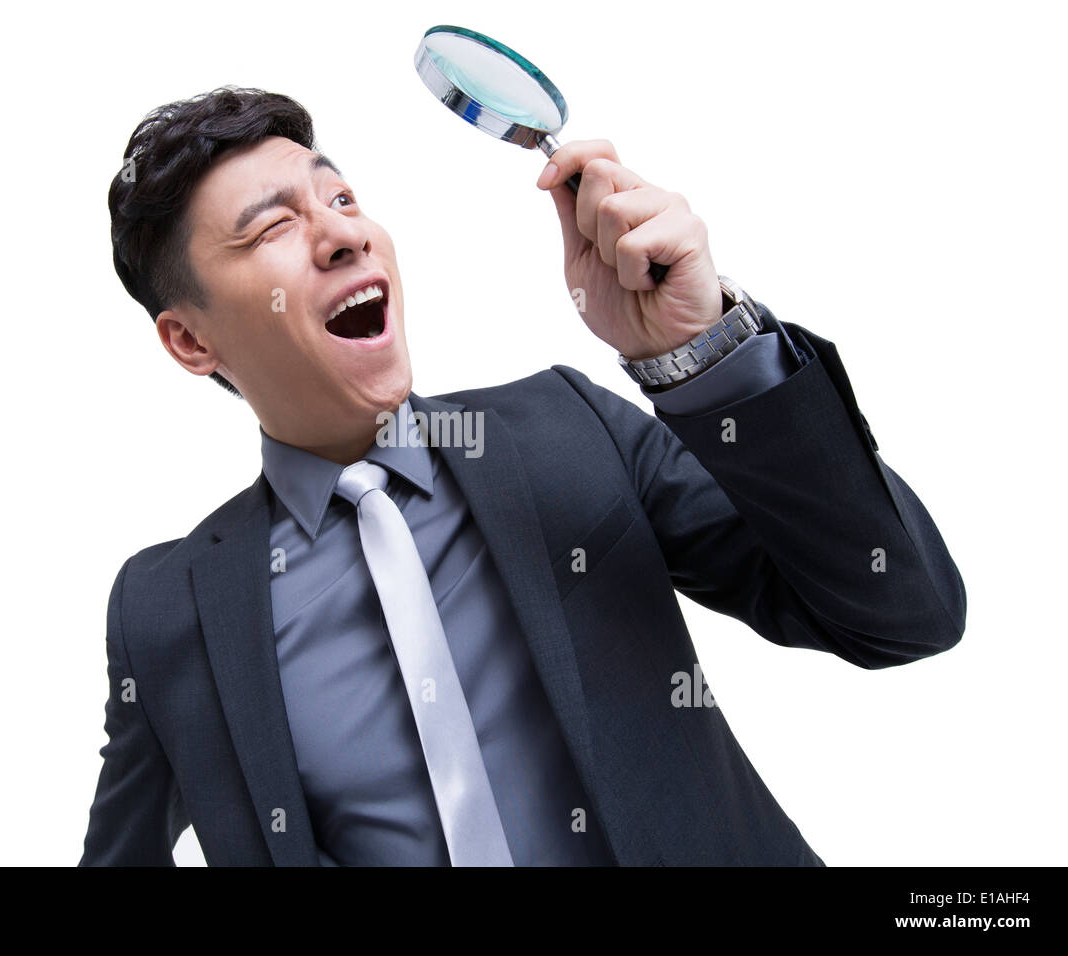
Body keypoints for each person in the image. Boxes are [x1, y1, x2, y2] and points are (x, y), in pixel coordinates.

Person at [78, 85, 966, 866]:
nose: (342, 232)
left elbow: (901, 614)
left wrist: (700, 354)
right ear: (190, 340)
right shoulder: (165, 612)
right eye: (274, 226)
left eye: (341, 197)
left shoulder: (566, 428)